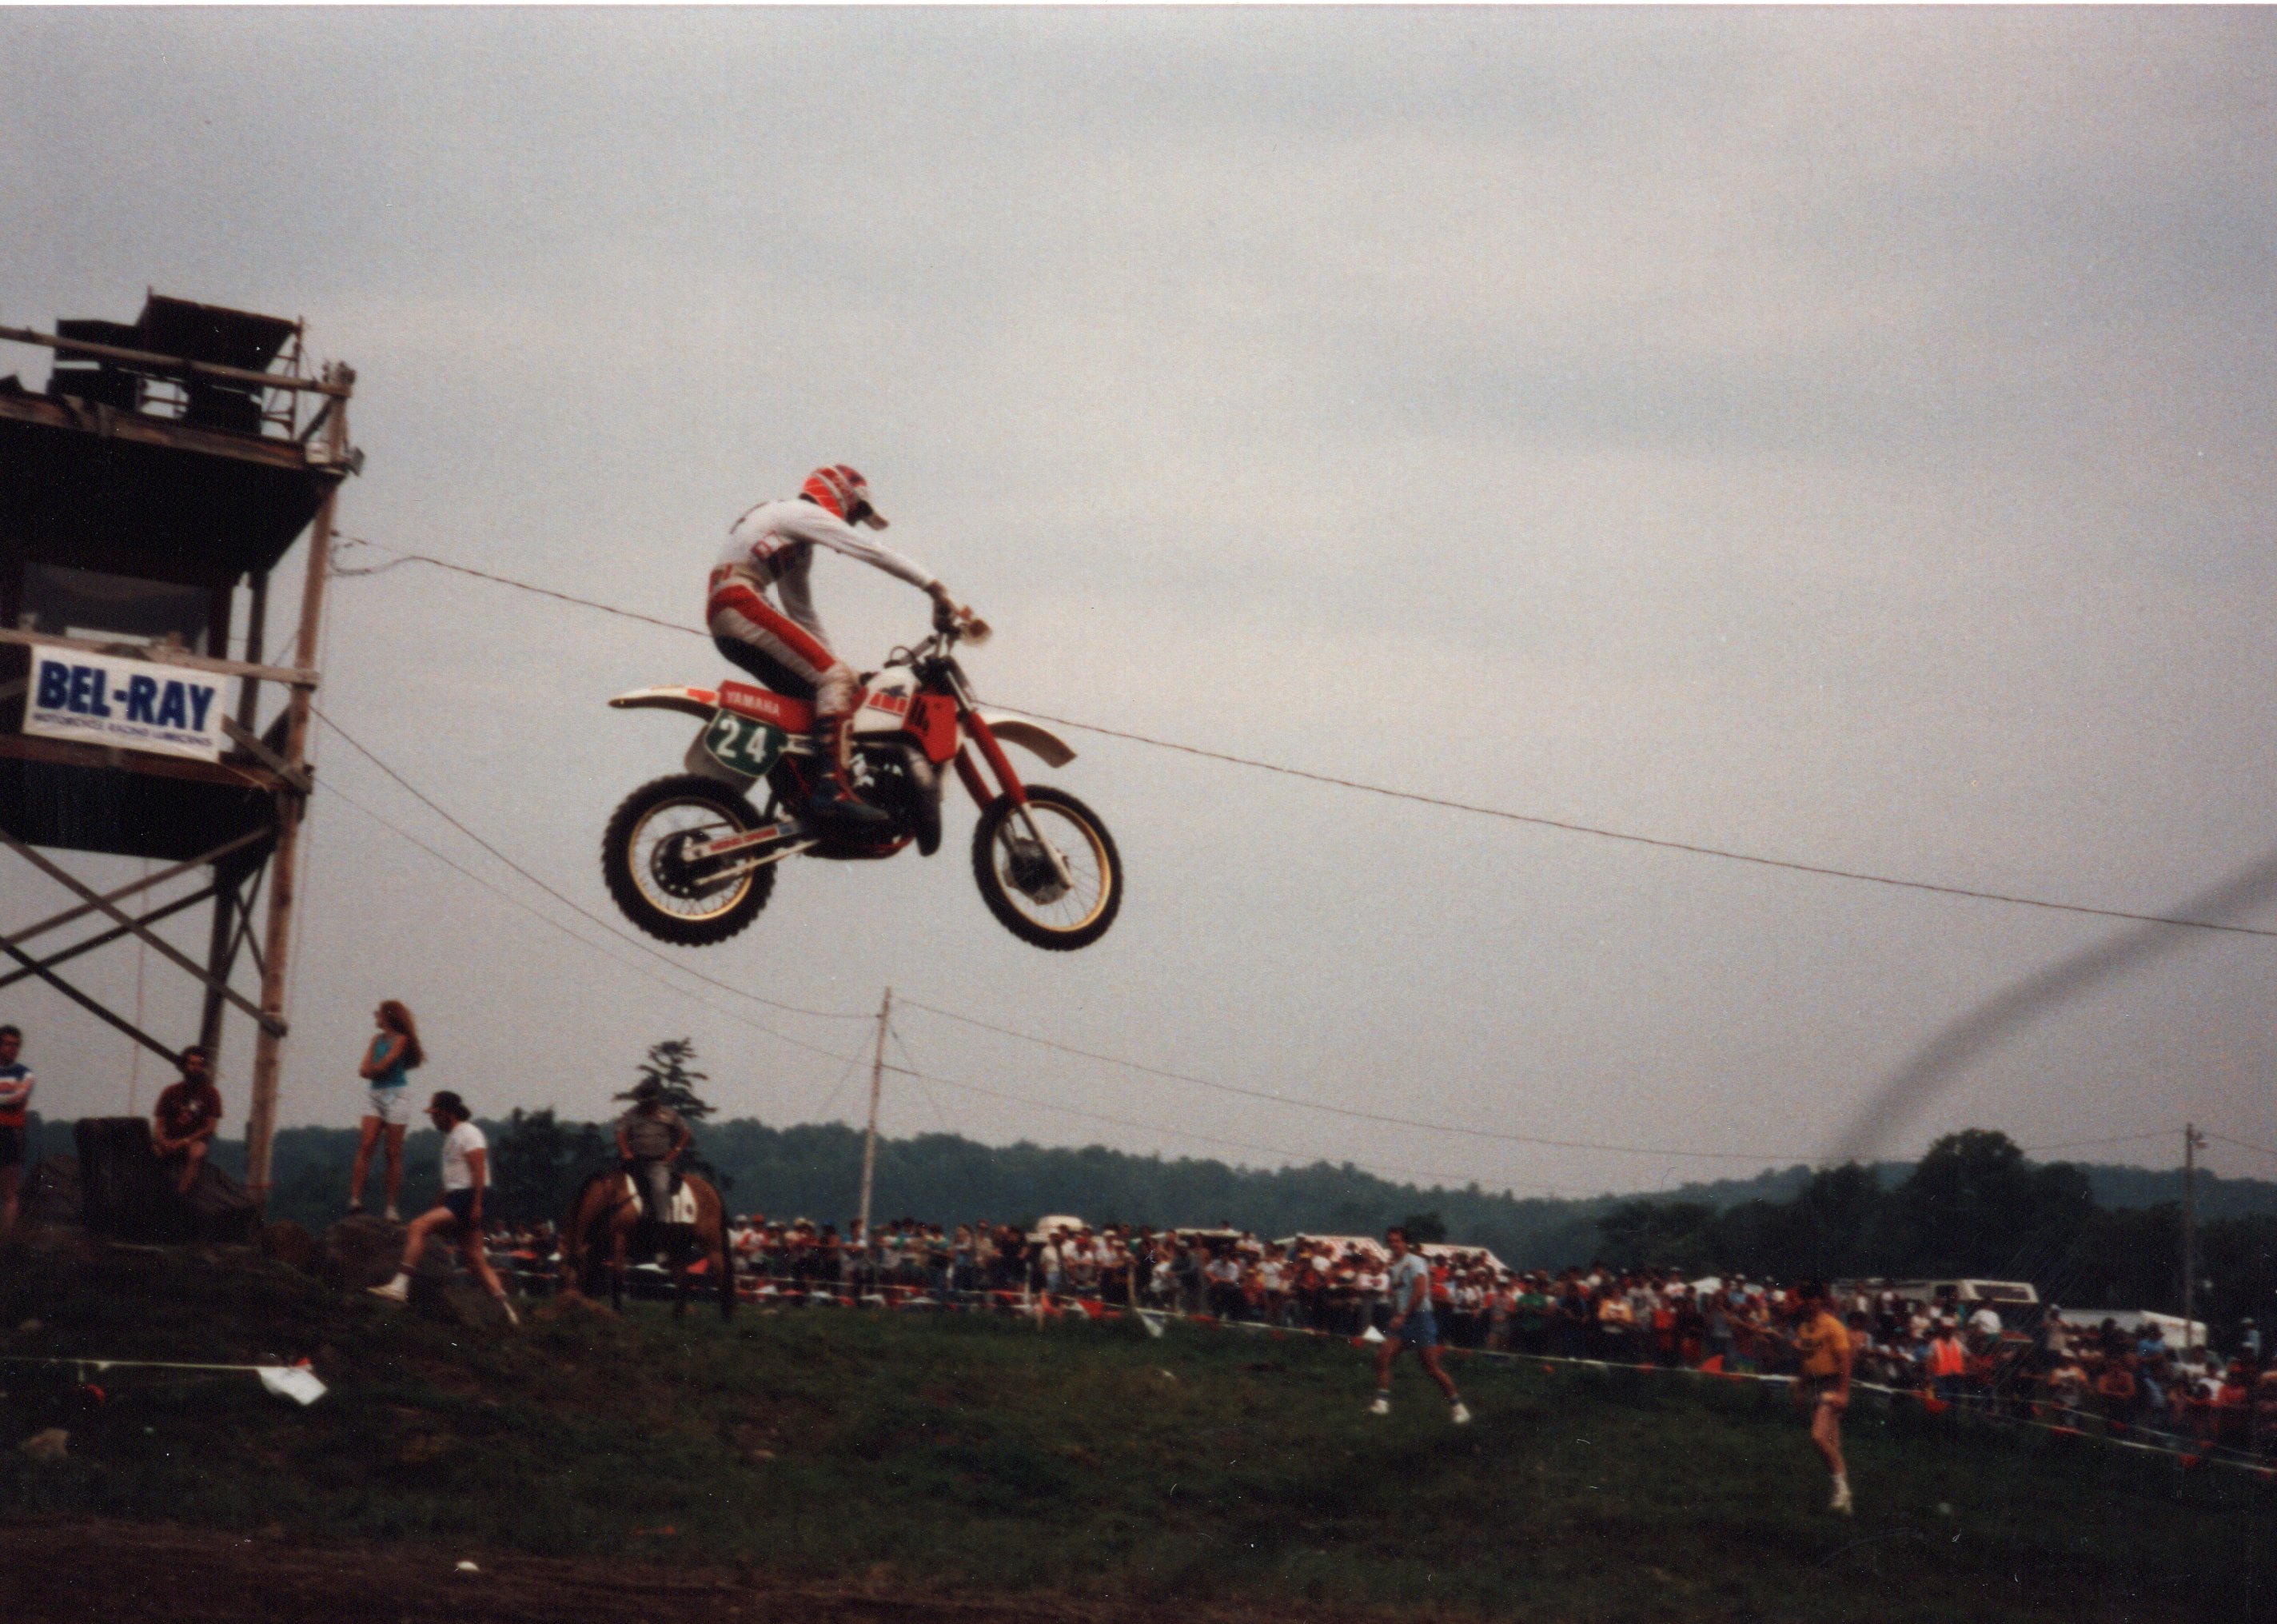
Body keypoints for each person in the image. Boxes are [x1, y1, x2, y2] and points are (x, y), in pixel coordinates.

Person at [707, 465, 975, 824]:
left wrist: (843, 671)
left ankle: (802, 788)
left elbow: (801, 614)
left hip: (731, 605)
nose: (853, 522)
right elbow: (870, 551)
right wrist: (934, 588)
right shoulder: (803, 513)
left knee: (825, 687)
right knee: (835, 679)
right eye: (858, 511)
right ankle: (831, 789)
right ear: (841, 495)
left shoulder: (794, 541)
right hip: (740, 600)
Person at [366, 1091, 517, 1326]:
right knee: (475, 1259)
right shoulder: (453, 1138)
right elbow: (451, 1180)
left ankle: (399, 1286)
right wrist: (439, 1204)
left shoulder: (468, 1133)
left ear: (447, 1113)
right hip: (458, 1196)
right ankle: (506, 1309)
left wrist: (477, 1203)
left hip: (467, 1197)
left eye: (435, 1115)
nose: (433, 1120)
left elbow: (478, 1169)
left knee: (418, 1227)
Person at [1368, 1226, 1470, 1425]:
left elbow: (1421, 1290)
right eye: (1390, 1240)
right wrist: (1396, 1314)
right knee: (1383, 1357)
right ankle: (1382, 1404)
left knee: (1431, 1368)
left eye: (1397, 1240)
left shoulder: (1415, 1261)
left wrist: (1404, 1315)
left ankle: (1458, 1407)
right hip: (1402, 1319)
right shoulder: (1394, 1266)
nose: (1393, 1244)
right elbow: (1398, 1294)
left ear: (1405, 1242)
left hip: (1420, 1318)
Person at [349, 1000, 424, 1220]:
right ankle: (355, 1199)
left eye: (378, 1014)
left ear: (388, 1017)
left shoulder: (401, 1040)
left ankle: (391, 1206)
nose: (376, 1018)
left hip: (395, 1094)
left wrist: (372, 1070)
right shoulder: (375, 1040)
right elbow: (363, 1068)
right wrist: (372, 1070)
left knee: (393, 1151)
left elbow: (384, 1065)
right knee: (367, 1143)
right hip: (375, 1094)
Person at [1789, 1279, 1855, 1515]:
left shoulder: (1833, 1326)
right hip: (1816, 1384)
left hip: (1832, 1384)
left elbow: (1846, 1362)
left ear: (1821, 1300)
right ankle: (1844, 1498)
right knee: (1832, 1443)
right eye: (1804, 1300)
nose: (1808, 1304)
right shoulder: (1803, 1329)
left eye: (1813, 1299)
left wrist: (1844, 1393)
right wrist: (1800, 1389)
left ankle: (1841, 1491)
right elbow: (1808, 1362)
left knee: (1818, 1436)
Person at [615, 1077, 692, 1229]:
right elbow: (621, 1133)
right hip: (635, 1162)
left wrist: (675, 1151)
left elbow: (685, 1132)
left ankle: (662, 1225)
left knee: (660, 1188)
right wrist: (625, 1151)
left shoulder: (669, 1114)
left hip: (658, 1163)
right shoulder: (632, 1114)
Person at [150, 1047, 222, 1196]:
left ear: (204, 1067)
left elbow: (210, 1127)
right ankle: (152, 1192)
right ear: (185, 1066)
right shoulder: (170, 1091)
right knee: (151, 1152)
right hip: (170, 1139)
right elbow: (159, 1123)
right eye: (192, 1063)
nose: (195, 1068)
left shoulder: (211, 1093)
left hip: (195, 1141)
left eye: (199, 1064)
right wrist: (163, 1141)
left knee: (196, 1153)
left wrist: (186, 1141)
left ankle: (181, 1195)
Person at [0, 1025, 31, 1243]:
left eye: (16, 1045)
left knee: (9, 1193)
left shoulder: (24, 1074)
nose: (12, 1049)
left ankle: (4, 1244)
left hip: (10, 1133)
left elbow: (17, 1098)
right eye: (7, 1044)